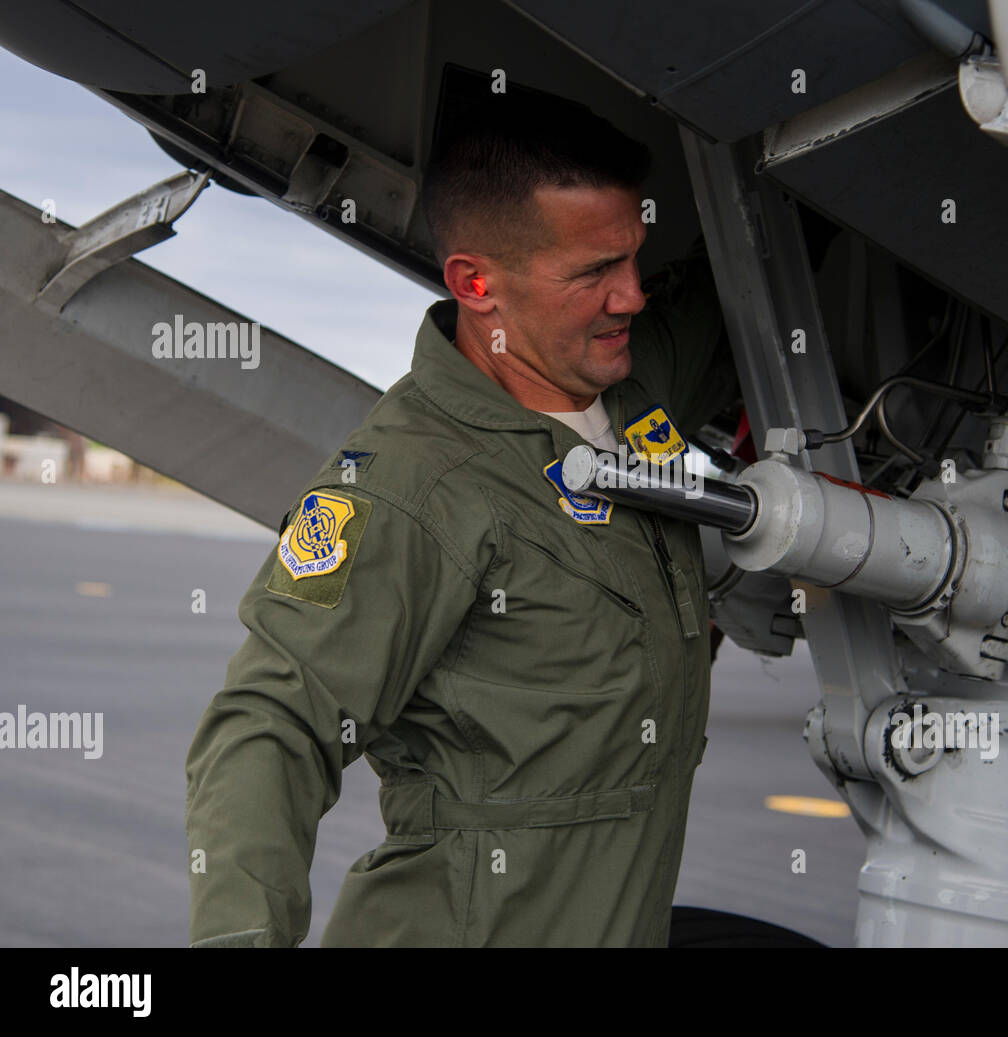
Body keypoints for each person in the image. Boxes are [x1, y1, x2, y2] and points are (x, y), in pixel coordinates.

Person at [184, 92, 739, 947]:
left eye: (633, 258)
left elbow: (733, 284)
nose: (630, 296)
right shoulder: (412, 484)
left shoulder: (630, 388)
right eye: (594, 272)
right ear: (476, 284)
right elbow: (271, 725)